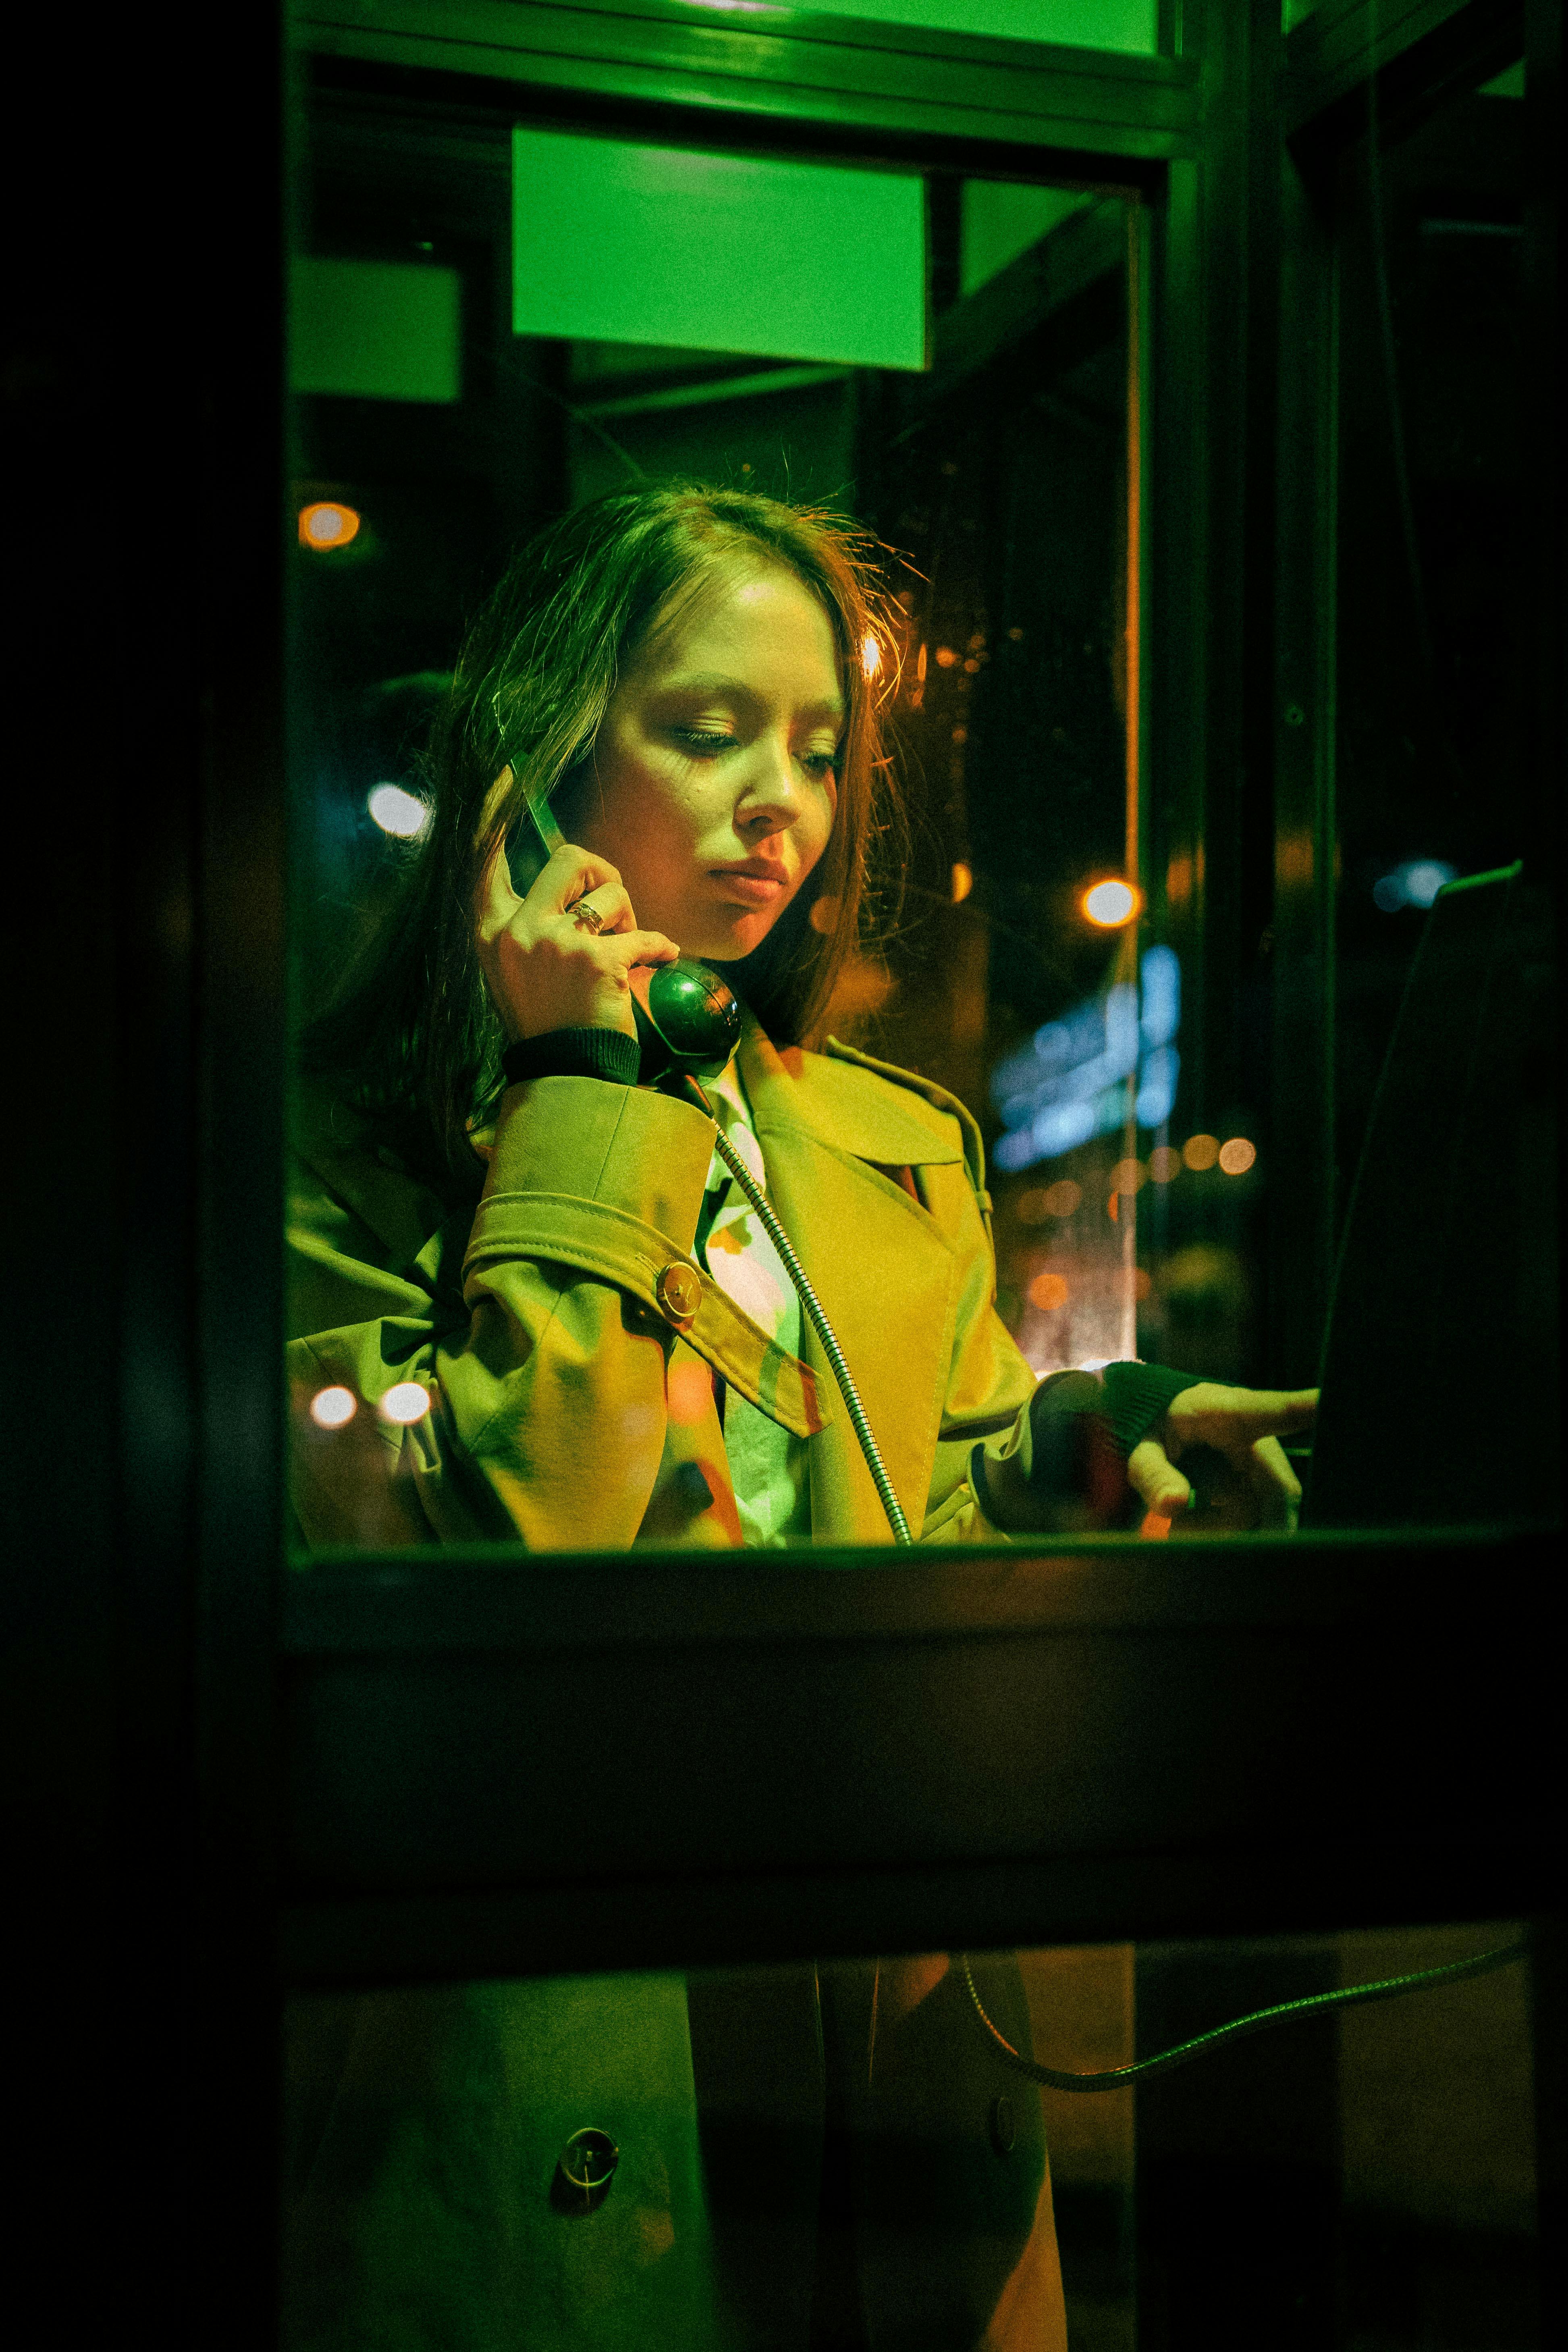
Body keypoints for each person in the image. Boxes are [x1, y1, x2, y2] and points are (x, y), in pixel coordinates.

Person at [284, 486, 1317, 2350]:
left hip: (888, 2045)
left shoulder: (887, 1144)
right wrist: (585, 1084)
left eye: (821, 748)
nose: (782, 799)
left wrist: (1105, 1453)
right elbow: (515, 1544)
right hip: (576, 2038)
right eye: (706, 732)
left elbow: (933, 1496)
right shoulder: (334, 1155)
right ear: (533, 765)